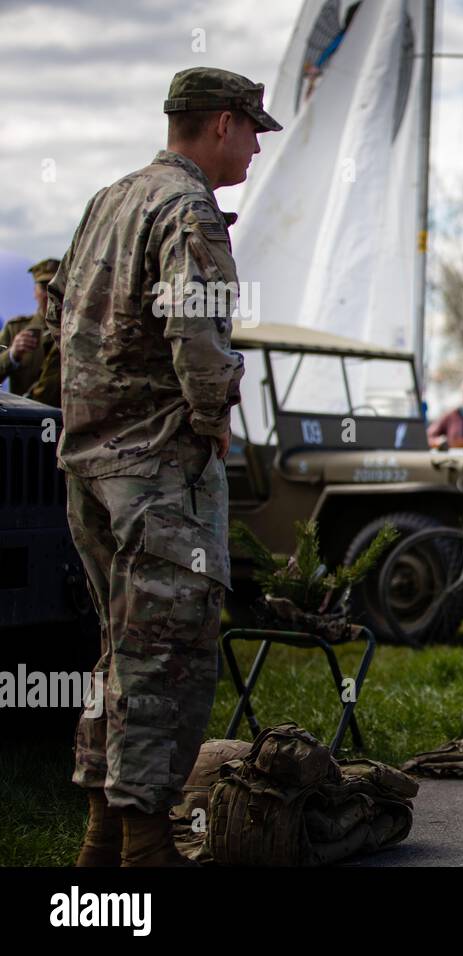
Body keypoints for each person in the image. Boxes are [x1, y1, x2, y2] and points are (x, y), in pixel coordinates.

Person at [50, 67, 279, 867]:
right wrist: (214, 417)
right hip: (158, 470)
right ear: (221, 125)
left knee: (119, 651)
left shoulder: (109, 199)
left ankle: (101, 839)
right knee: (167, 656)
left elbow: (60, 323)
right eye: (252, 129)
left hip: (90, 466)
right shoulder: (188, 210)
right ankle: (144, 846)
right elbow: (199, 332)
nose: (254, 145)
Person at [0, 258, 59, 397]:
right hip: (26, 415)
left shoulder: (77, 331)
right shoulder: (16, 329)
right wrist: (12, 355)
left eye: (56, 287)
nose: (49, 295)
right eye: (44, 288)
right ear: (35, 292)